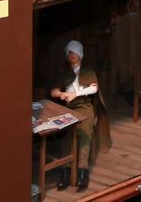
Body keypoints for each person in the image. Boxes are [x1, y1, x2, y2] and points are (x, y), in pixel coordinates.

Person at [49, 40, 111, 191]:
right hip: (68, 108)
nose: (72, 55)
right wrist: (62, 94)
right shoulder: (64, 72)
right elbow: (53, 91)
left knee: (84, 134)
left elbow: (93, 89)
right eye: (70, 52)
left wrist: (76, 93)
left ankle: (83, 171)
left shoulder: (88, 71)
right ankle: (66, 171)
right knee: (66, 136)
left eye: (75, 52)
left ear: (80, 55)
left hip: (84, 106)